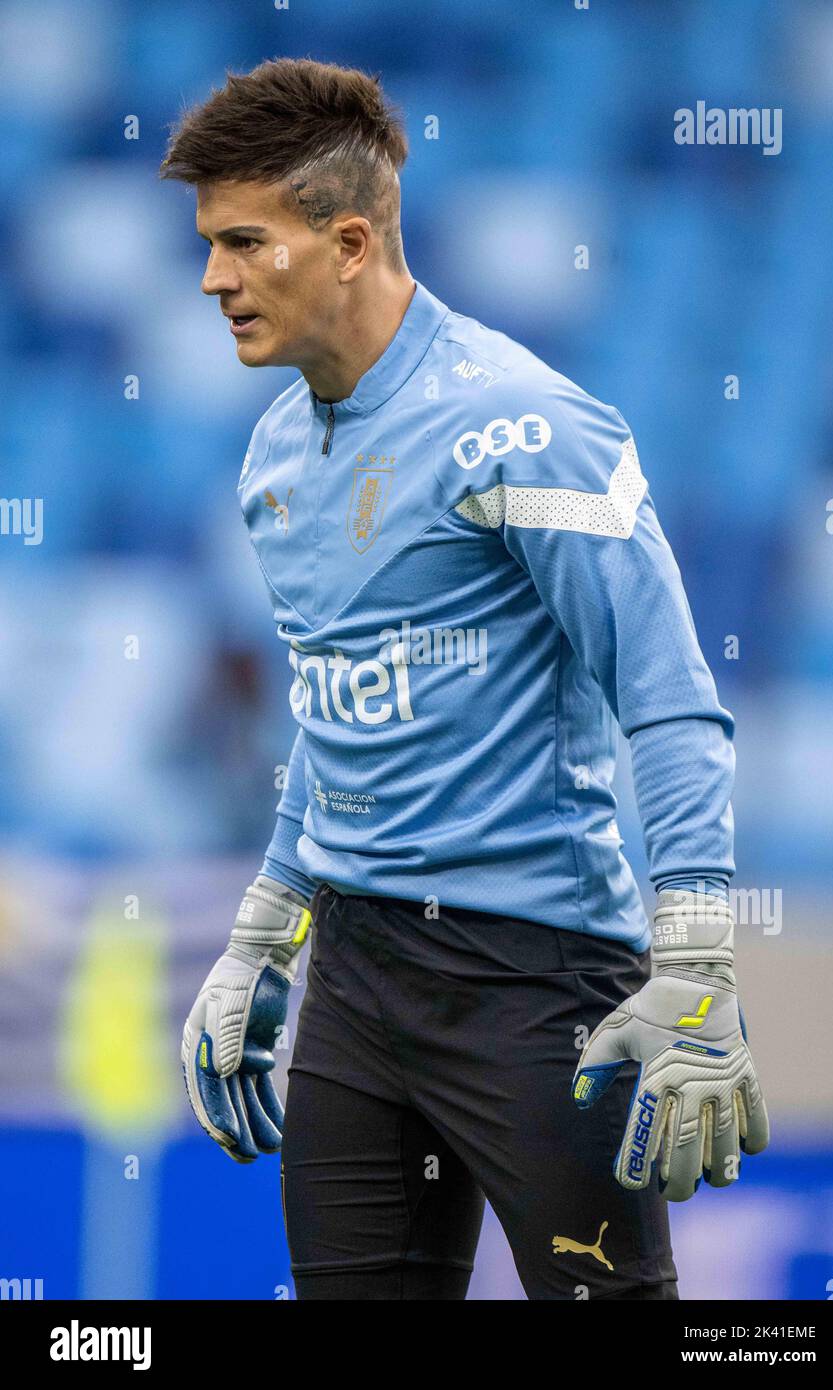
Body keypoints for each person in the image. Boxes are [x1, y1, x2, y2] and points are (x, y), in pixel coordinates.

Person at [162, 57, 769, 1301]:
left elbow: (666, 694)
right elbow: (337, 711)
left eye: (240, 242)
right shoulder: (276, 450)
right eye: (207, 245)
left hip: (534, 985)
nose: (212, 279)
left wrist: (696, 960)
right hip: (356, 975)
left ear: (346, 240)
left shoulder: (525, 422)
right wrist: (264, 928)